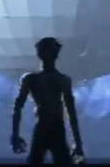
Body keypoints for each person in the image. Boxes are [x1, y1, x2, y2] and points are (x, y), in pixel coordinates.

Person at [10, 37, 85, 165]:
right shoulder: (62, 80)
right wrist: (77, 143)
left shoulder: (32, 79)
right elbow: (71, 112)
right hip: (54, 128)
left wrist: (15, 135)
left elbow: (18, 108)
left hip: (45, 128)